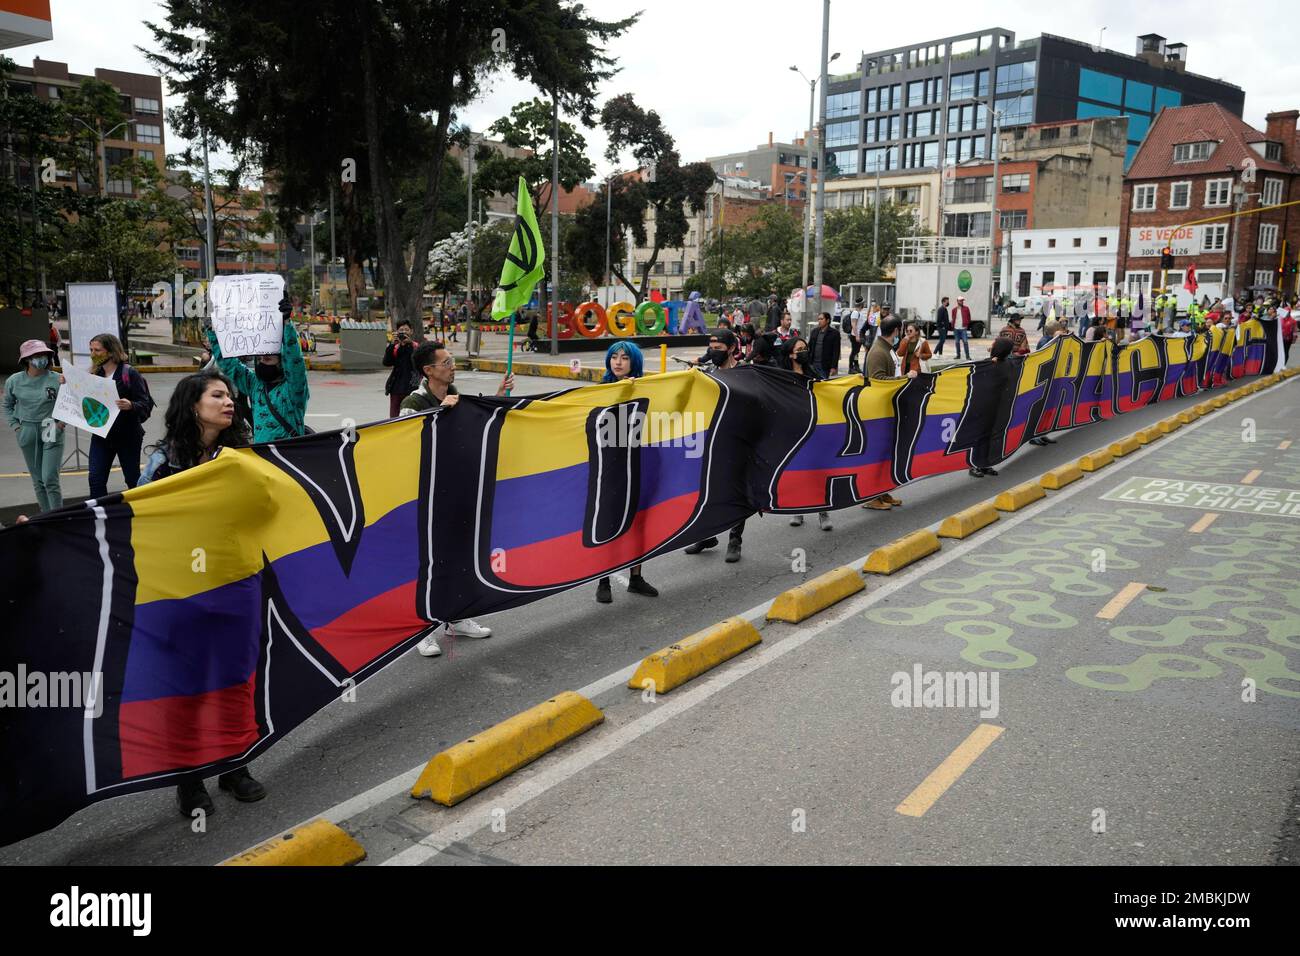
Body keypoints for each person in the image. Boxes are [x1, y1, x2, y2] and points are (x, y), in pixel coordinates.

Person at [135, 370, 264, 815]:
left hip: (236, 583)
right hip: (182, 589)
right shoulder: (163, 464)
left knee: (234, 680)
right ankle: (189, 781)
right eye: (217, 395)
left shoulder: (246, 456)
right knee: (185, 685)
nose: (228, 402)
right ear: (194, 405)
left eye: (229, 395)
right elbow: (134, 517)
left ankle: (235, 767)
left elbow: (270, 504)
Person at [400, 340, 512, 656]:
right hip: (428, 496)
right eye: (446, 361)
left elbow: (476, 426)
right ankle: (422, 629)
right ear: (428, 370)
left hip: (459, 489)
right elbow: (407, 445)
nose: (452, 365)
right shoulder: (414, 402)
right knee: (430, 561)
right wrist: (441, 414)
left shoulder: (456, 394)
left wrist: (499, 395)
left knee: (460, 555)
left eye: (451, 360)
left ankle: (457, 616)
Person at [594, 342, 659, 603]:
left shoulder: (648, 389)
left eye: (624, 358)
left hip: (641, 462)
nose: (618, 362)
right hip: (610, 464)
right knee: (609, 521)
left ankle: (636, 578)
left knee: (639, 522)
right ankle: (603, 580)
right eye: (614, 357)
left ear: (635, 363)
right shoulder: (601, 389)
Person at [206, 298, 310, 442]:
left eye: (267, 360)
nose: (262, 363)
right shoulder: (255, 385)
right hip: (261, 457)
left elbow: (294, 360)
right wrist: (213, 331)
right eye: (259, 359)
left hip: (288, 456)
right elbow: (229, 364)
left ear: (281, 364)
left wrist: (287, 323)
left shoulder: (293, 389)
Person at [684, 331, 747, 562]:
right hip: (714, 441)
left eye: (718, 347)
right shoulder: (708, 374)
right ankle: (707, 536)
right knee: (708, 491)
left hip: (740, 441)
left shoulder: (745, 372)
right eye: (711, 347)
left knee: (738, 492)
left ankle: (735, 540)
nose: (713, 352)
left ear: (731, 348)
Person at [86, 333, 151, 499]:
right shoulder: (95, 374)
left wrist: (131, 405)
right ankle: (100, 515)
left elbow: (144, 404)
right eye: (91, 350)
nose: (93, 354)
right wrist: (66, 383)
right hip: (102, 435)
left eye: (97, 350)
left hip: (128, 436)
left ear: (111, 351)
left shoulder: (129, 373)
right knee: (95, 479)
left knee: (132, 479)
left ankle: (139, 511)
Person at [4, 339, 65, 512]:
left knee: (50, 478)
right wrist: (16, 426)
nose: (41, 358)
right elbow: (7, 406)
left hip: (50, 428)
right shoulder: (14, 381)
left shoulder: (58, 379)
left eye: (43, 355)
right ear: (26, 359)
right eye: (36, 355)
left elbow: (69, 404)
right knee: (38, 480)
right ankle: (46, 517)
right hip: (27, 429)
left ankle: (57, 517)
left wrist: (61, 424)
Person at [863, 317, 915, 510]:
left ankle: (882, 491)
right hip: (878, 412)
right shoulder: (877, 351)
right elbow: (878, 381)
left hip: (889, 409)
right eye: (900, 330)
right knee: (877, 454)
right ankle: (871, 496)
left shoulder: (887, 348)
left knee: (886, 455)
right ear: (895, 330)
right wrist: (904, 378)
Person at [785, 338, 833, 531]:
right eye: (799, 349)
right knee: (797, 472)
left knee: (817, 472)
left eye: (805, 348)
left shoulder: (812, 372)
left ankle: (823, 512)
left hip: (814, 429)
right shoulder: (781, 375)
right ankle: (798, 509)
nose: (804, 352)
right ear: (790, 354)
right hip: (793, 430)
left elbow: (827, 393)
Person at [970, 337, 1016, 478]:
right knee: (982, 436)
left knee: (987, 436)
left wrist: (991, 360)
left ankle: (983, 464)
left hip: (991, 406)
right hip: (987, 406)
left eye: (994, 345)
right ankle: (977, 465)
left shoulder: (992, 364)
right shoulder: (1006, 364)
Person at [382, 318, 420, 418]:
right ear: (397, 332)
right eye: (401, 330)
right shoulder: (395, 347)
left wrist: (409, 344)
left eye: (406, 330)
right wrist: (391, 345)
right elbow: (386, 363)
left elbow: (417, 362)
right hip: (396, 388)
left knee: (410, 416)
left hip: (411, 388)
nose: (403, 332)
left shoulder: (416, 347)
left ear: (411, 331)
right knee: (394, 417)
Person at [806, 311, 842, 378]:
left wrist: (834, 367)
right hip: (813, 364)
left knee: (822, 383)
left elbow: (836, 351)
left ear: (827, 320)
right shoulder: (814, 331)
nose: (819, 321)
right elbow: (809, 347)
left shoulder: (834, 333)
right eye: (818, 319)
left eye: (821, 319)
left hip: (825, 365)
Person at [846, 299, 865, 374]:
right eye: (863, 304)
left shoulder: (859, 313)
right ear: (861, 305)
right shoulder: (855, 313)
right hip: (855, 335)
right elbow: (854, 325)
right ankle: (851, 368)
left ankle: (856, 366)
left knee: (856, 352)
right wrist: (857, 336)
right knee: (854, 352)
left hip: (858, 335)